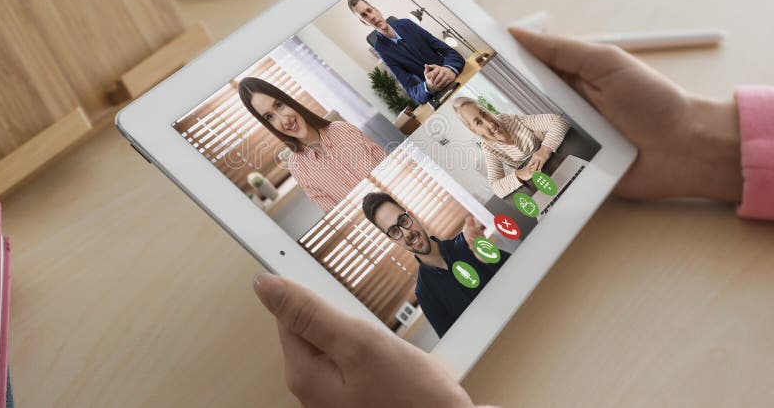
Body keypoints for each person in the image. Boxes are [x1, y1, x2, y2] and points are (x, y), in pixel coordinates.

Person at [252, 28, 774, 408]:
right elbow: (499, 185)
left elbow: (537, 149)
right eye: (268, 118)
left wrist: (688, 140)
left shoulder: (358, 137)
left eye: (278, 104)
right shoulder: (425, 285)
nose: (406, 229)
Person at [360, 191, 507, 338]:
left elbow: (518, 273)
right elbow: (454, 345)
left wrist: (488, 256)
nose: (407, 234)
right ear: (392, 240)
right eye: (394, 231)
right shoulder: (424, 293)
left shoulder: (467, 243)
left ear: (412, 216)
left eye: (403, 221)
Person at [238, 77, 386, 213]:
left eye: (279, 105)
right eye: (269, 117)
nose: (284, 121)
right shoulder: (298, 168)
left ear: (288, 101)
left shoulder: (343, 130)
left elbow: (391, 166)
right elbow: (338, 216)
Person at [348, 0, 466, 104]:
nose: (371, 17)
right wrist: (428, 87)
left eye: (369, 11)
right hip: (438, 94)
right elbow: (412, 92)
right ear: (363, 22)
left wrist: (449, 69)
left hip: (456, 77)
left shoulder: (407, 24)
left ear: (377, 10)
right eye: (364, 16)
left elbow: (451, 53)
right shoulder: (381, 49)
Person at [453, 96, 571, 197]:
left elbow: (559, 121)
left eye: (484, 113)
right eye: (478, 123)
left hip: (557, 156)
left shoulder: (510, 120)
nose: (489, 123)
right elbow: (497, 189)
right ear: (474, 130)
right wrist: (520, 174)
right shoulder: (489, 148)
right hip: (540, 179)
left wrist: (544, 150)